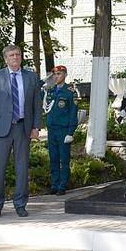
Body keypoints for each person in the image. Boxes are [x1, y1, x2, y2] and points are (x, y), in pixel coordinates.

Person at [0, 45, 42, 218]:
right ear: (5, 59)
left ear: (21, 57)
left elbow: (36, 104)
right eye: (11, 55)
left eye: (17, 54)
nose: (15, 57)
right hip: (1, 129)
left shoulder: (31, 77)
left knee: (22, 168)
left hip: (23, 128)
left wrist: (36, 127)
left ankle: (20, 204)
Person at [43, 65, 78, 195]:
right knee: (53, 158)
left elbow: (73, 113)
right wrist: (44, 82)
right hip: (52, 129)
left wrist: (70, 132)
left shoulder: (70, 92)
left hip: (63, 130)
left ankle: (62, 185)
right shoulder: (50, 91)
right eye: (55, 74)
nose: (56, 76)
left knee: (64, 159)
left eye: (59, 74)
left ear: (65, 75)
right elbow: (38, 94)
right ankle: (55, 184)